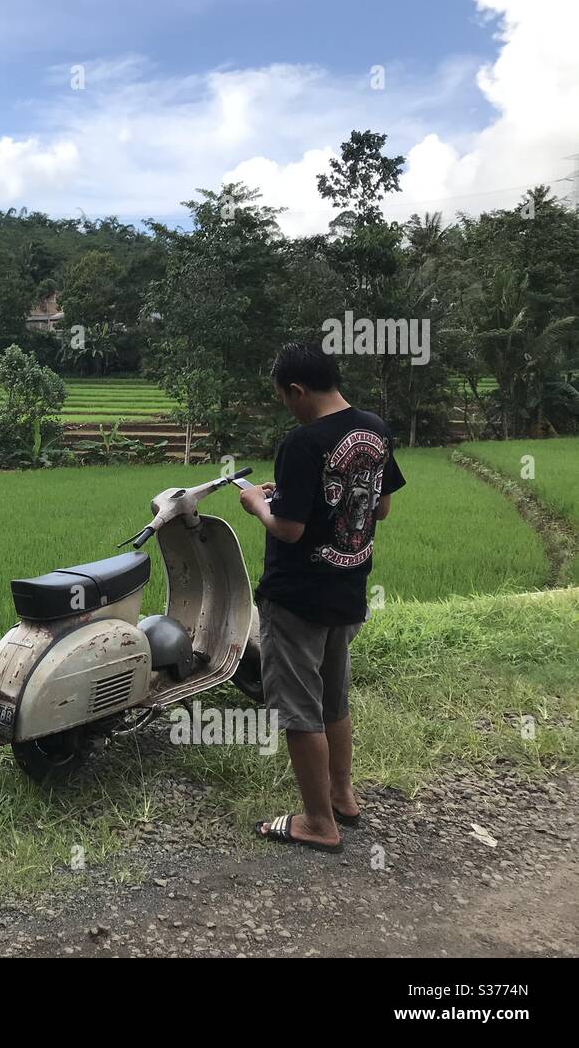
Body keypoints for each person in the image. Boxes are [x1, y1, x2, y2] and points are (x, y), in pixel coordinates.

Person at [238, 341, 405, 853]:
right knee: (334, 699)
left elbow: (288, 530)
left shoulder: (302, 443)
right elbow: (378, 512)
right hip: (347, 588)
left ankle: (317, 823)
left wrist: (256, 504)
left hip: (298, 598)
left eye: (284, 398)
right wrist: (286, 493)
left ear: (297, 390)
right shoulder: (373, 427)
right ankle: (342, 798)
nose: (285, 406)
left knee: (298, 710)